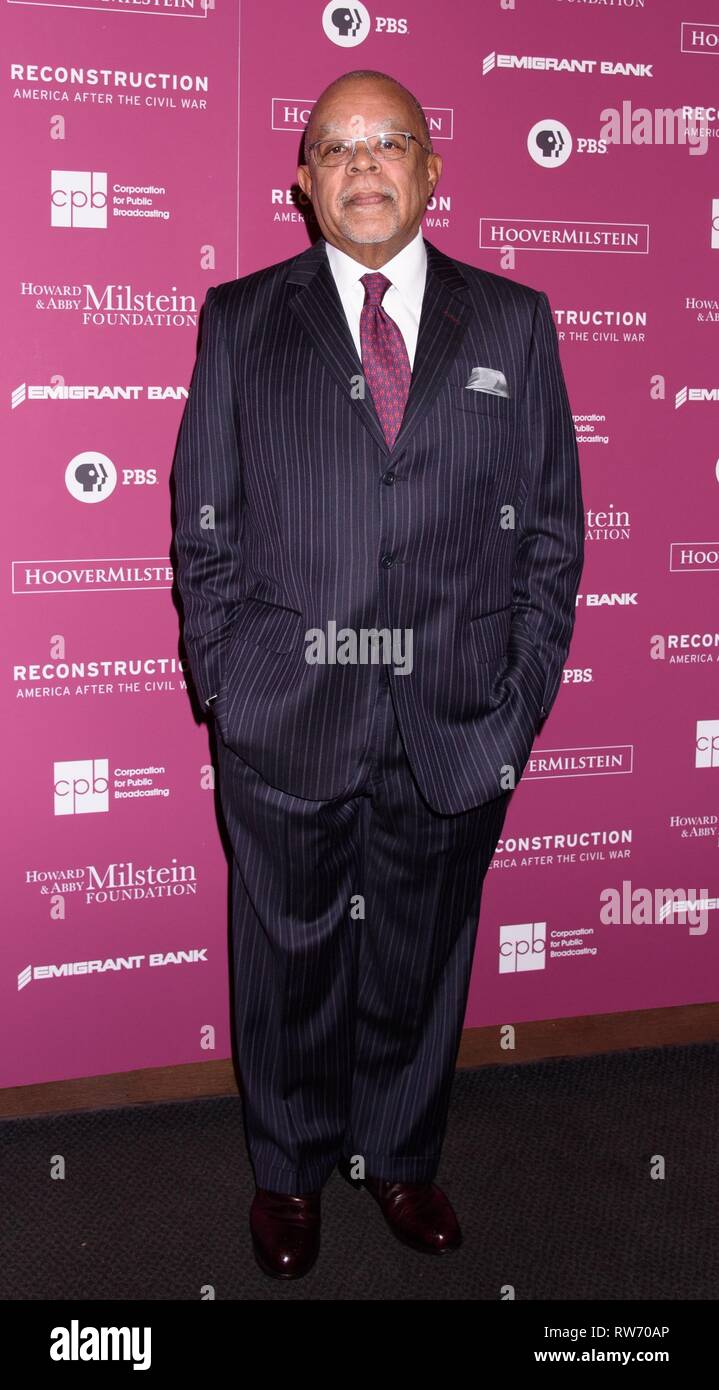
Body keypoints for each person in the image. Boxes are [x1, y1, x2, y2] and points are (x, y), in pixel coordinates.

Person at [172, 68, 584, 1281]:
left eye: (388, 141)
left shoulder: (512, 320)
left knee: (418, 953)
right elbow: (205, 525)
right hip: (284, 720)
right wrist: (231, 685)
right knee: (286, 959)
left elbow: (552, 537)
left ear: (429, 169)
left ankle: (400, 1155)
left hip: (453, 720)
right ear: (301, 183)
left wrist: (513, 707)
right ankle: (288, 1172)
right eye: (335, 147)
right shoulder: (242, 318)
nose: (362, 164)